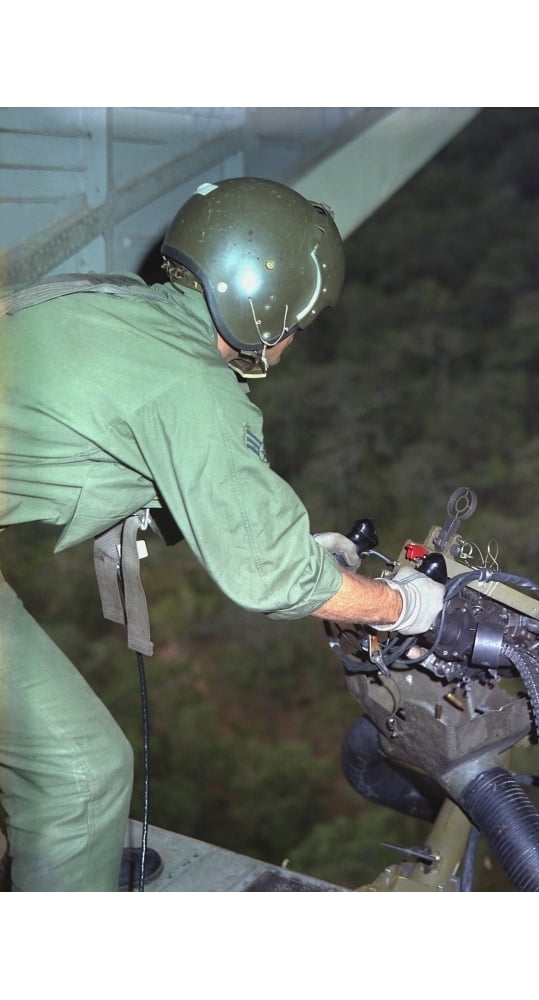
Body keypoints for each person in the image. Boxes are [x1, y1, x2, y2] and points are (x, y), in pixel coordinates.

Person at [0, 176, 444, 891]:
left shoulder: (119, 302)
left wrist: (306, 550)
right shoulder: (189, 386)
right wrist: (408, 606)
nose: (294, 337)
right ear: (268, 312)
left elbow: (124, 442)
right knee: (81, 776)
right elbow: (268, 575)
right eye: (297, 322)